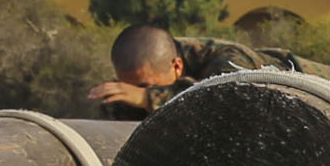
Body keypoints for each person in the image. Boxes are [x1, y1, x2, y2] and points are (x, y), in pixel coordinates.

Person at [88, 22, 308, 119]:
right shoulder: (148, 75)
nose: (134, 94)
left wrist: (149, 98)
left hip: (329, 96)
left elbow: (221, 102)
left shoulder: (229, 60)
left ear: (177, 66)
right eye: (128, 87)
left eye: (147, 85)